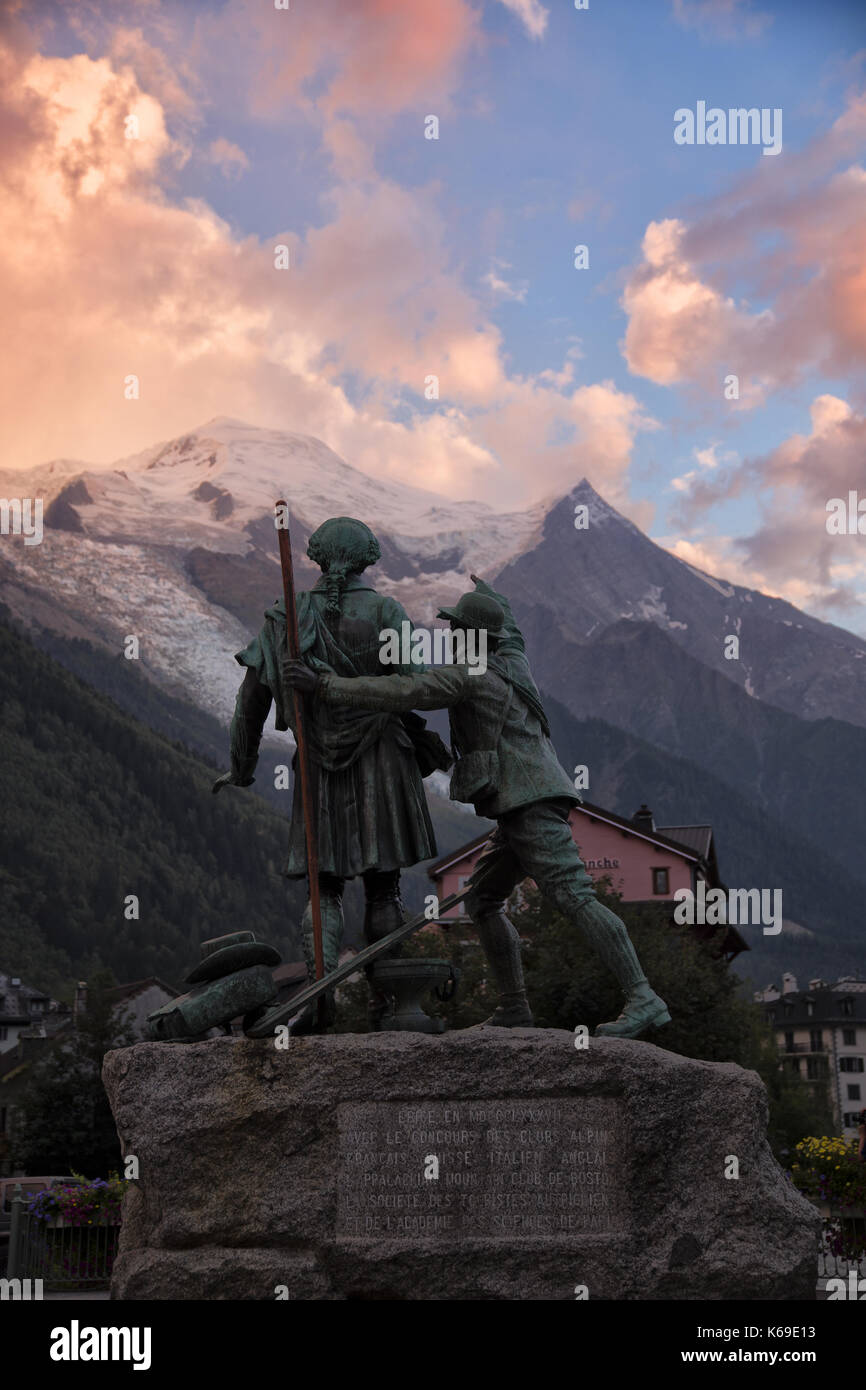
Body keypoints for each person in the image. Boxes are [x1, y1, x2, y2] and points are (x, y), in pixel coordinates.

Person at [284, 575, 670, 1039]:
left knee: (574, 896)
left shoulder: (468, 677)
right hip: (521, 806)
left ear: (470, 637)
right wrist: (490, 594)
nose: (449, 636)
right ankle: (514, 1006)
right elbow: (513, 629)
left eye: (455, 629)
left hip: (528, 803)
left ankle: (642, 995)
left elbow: (402, 692)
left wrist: (324, 685)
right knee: (485, 900)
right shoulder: (513, 661)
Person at [214, 516, 444, 1032]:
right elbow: (416, 689)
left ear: (318, 558)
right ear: (367, 558)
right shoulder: (386, 612)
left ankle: (321, 1004)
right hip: (384, 759)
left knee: (323, 889)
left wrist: (241, 767)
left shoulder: (285, 620)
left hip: (318, 762)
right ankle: (389, 1007)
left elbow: (248, 706)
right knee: (384, 888)